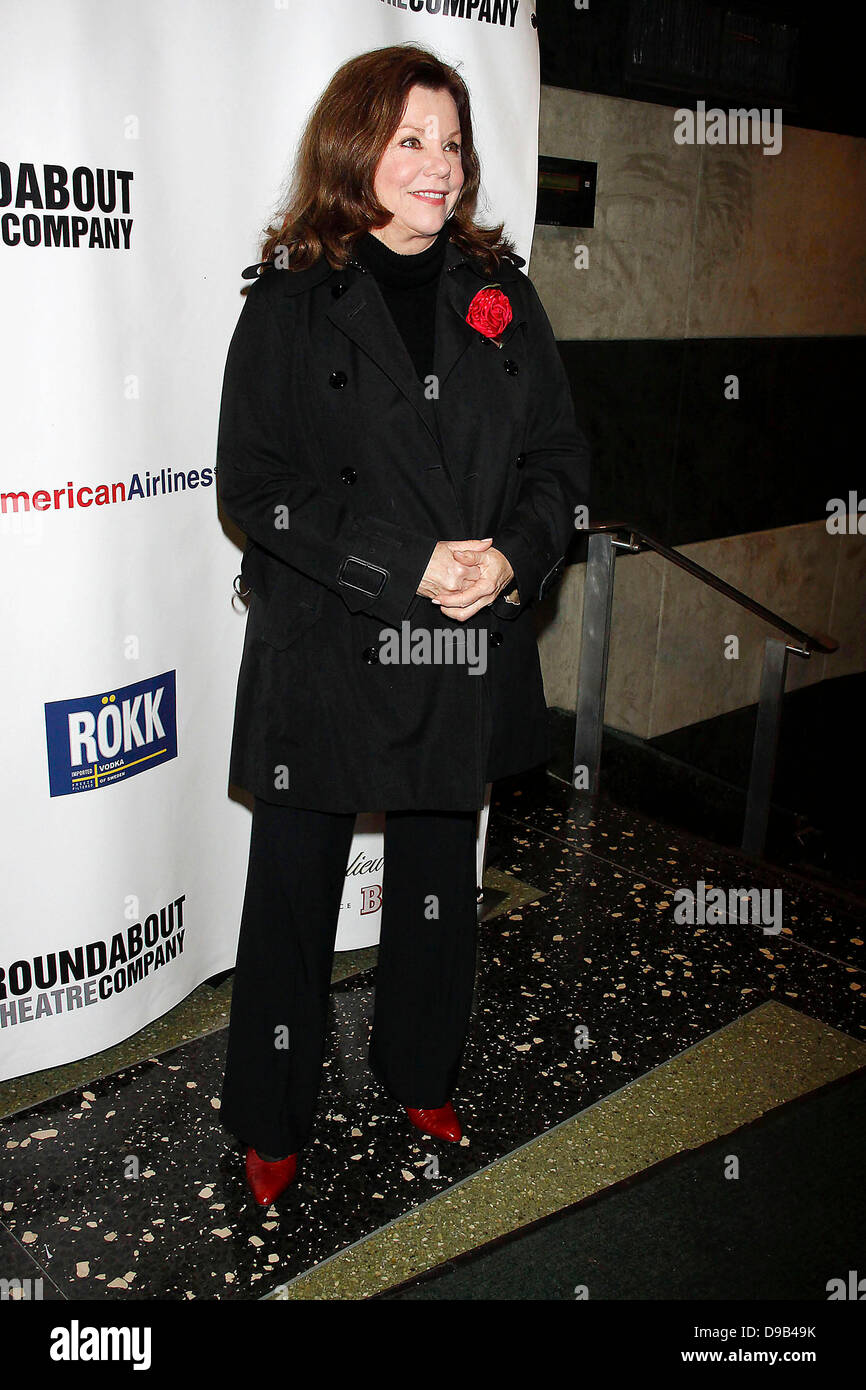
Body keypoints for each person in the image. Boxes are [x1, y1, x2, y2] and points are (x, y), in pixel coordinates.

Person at [215, 43, 591, 1206]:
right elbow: (253, 485)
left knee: (438, 878)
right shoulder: (288, 301)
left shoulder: (500, 294)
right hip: (329, 648)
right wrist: (407, 562)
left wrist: (514, 559)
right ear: (355, 148)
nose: (437, 166)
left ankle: (419, 1067)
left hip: (456, 647)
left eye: (451, 141)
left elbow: (558, 465)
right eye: (409, 139)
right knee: (291, 893)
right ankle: (272, 1118)